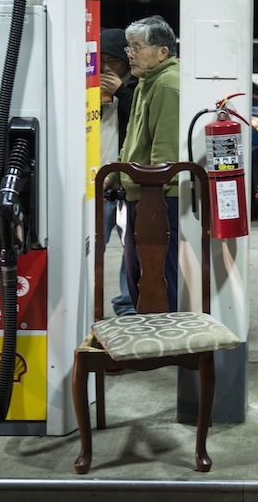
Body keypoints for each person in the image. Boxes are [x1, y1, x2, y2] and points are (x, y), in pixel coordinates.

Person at [106, 15, 181, 310]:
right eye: (129, 48)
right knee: (138, 271)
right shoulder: (145, 82)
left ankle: (164, 331)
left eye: (137, 47)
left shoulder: (167, 84)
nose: (130, 54)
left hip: (158, 197)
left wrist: (151, 194)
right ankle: (147, 326)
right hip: (141, 192)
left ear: (162, 52)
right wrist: (116, 172)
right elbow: (132, 140)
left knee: (157, 276)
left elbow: (164, 153)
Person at [99, 27, 138, 316]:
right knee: (91, 247)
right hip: (97, 181)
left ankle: (127, 305)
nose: (105, 67)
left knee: (131, 250)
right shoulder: (87, 84)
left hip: (125, 182)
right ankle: (87, 301)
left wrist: (120, 92)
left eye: (111, 60)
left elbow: (140, 119)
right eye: (100, 60)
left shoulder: (137, 86)